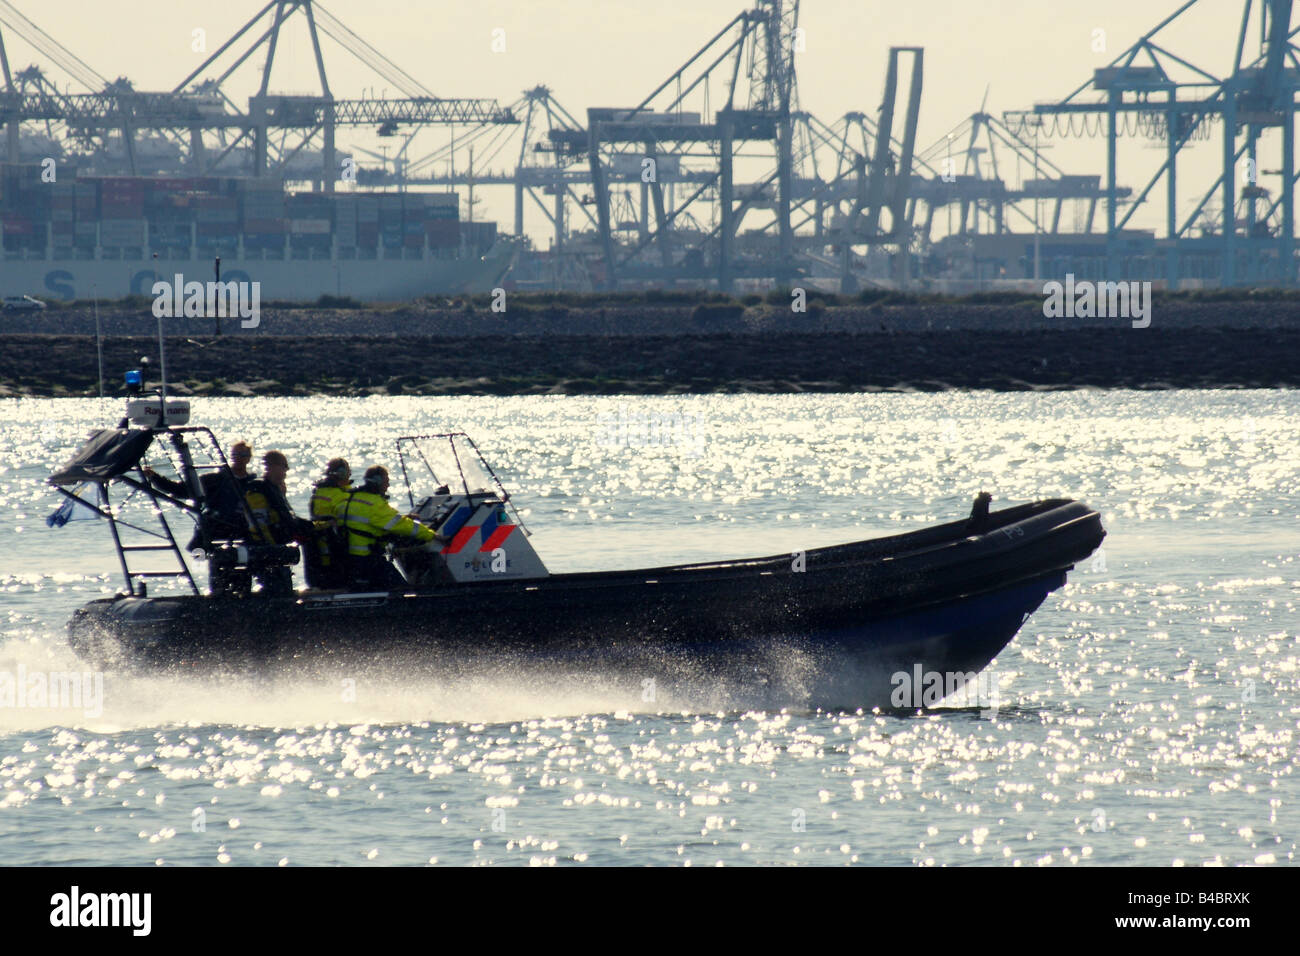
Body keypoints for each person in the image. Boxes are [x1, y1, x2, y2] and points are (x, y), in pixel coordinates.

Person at [340, 465, 440, 590]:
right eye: (386, 482)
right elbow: (400, 524)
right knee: (402, 589)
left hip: (350, 558)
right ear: (378, 482)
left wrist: (406, 517)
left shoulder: (352, 498)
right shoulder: (374, 503)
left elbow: (374, 519)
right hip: (367, 560)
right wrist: (432, 535)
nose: (388, 486)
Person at [144, 440, 254, 547]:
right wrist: (154, 477)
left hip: (243, 532)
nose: (238, 458)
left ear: (249, 457)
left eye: (242, 454)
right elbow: (180, 490)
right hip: (215, 529)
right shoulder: (215, 479)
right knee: (199, 554)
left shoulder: (254, 484)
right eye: (234, 454)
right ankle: (199, 564)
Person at [244, 450, 313, 595]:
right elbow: (259, 526)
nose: (286, 471)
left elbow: (288, 518)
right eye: (284, 466)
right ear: (273, 467)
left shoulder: (275, 490)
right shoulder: (258, 492)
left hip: (279, 551)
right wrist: (273, 548)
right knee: (276, 589)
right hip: (267, 553)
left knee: (284, 587)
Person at [306, 458, 352, 588]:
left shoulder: (319, 492)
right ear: (341, 474)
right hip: (338, 551)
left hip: (323, 552)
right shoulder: (341, 496)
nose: (350, 475)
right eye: (348, 472)